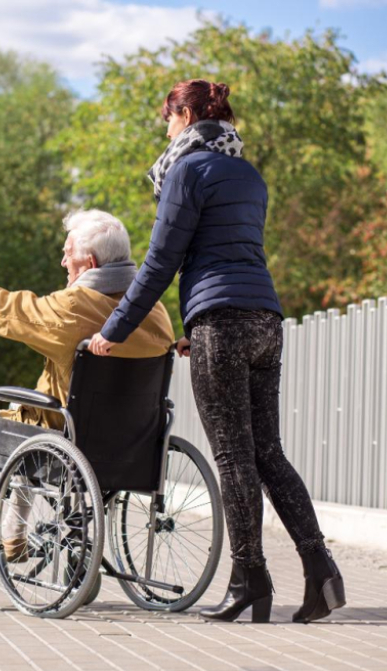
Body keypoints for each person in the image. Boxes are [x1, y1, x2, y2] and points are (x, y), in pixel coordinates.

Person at [88, 80, 345, 624]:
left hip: (221, 324)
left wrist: (114, 328)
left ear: (184, 114)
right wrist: (193, 328)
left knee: (232, 456)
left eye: (167, 117)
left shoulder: (186, 170)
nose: (164, 127)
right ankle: (321, 570)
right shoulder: (250, 175)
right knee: (267, 453)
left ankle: (249, 577)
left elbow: (162, 261)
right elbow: (229, 253)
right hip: (264, 320)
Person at [0, 209, 174, 561]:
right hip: (133, 448)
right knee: (31, 417)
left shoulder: (70, 309)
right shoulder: (155, 311)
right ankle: (13, 538)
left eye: (67, 253)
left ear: (88, 262)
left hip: (66, 444)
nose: (62, 261)